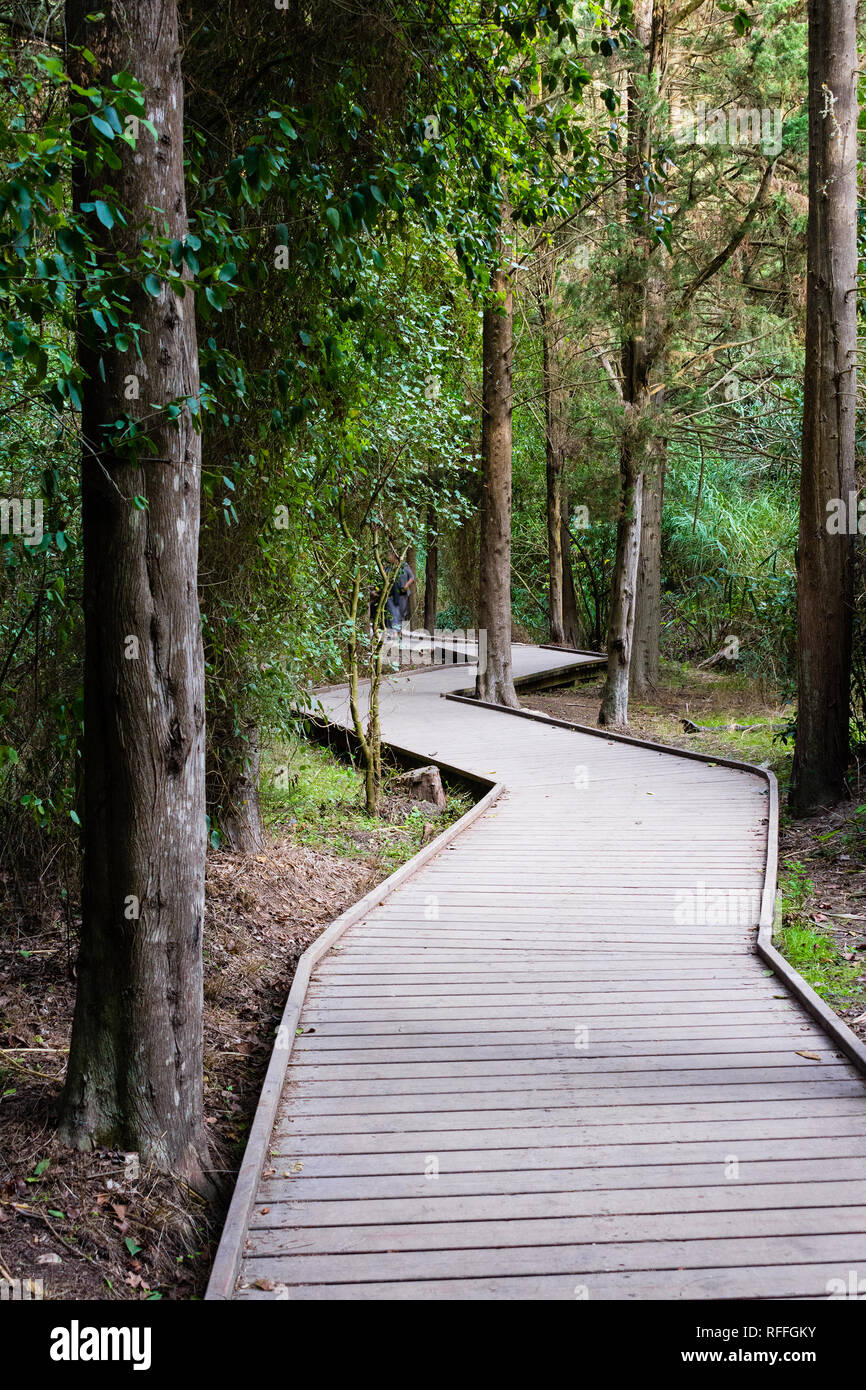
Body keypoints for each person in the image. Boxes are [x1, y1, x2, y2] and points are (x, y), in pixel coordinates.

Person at [384, 550, 415, 630]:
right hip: (391, 594)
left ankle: (399, 632)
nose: (388, 557)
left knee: (401, 613)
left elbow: (412, 577)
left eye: (389, 555)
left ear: (395, 556)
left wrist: (407, 585)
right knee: (391, 613)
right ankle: (390, 632)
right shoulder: (388, 568)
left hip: (402, 594)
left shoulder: (404, 566)